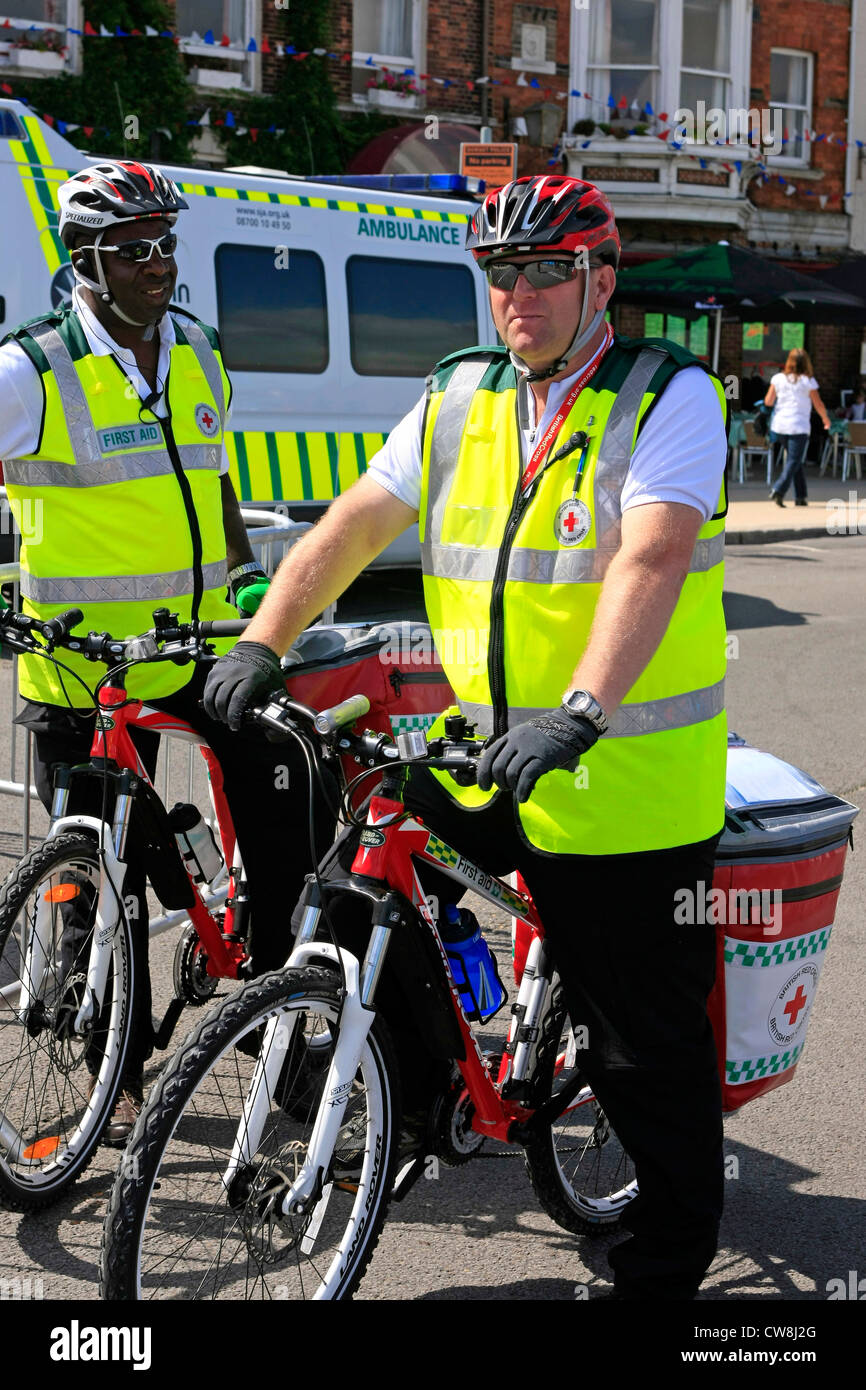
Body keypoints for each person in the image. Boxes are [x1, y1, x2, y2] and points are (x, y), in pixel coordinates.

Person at [204, 174, 730, 1301]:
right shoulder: (458, 397)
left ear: (599, 276)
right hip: (481, 753)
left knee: (643, 1048)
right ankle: (412, 1089)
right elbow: (346, 526)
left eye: (545, 270)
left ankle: (665, 1266)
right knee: (353, 882)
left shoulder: (666, 396)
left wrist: (579, 710)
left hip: (621, 778)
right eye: (499, 273)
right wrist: (261, 641)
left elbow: (649, 560)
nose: (519, 293)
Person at [0, 161, 333, 1144]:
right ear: (86, 261)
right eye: (133, 249)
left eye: (164, 244)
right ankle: (114, 1068)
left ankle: (276, 1029)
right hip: (79, 667)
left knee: (285, 785)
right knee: (99, 882)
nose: (157, 263)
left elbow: (211, 477)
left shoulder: (195, 348)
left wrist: (243, 580)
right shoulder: (31, 369)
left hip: (191, 652)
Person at [766, 349, 830, 507]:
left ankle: (801, 496)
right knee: (794, 460)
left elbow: (768, 401)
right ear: (806, 362)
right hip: (798, 425)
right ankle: (779, 490)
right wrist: (825, 419)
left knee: (795, 460)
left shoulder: (778, 378)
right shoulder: (808, 381)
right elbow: (818, 404)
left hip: (780, 425)